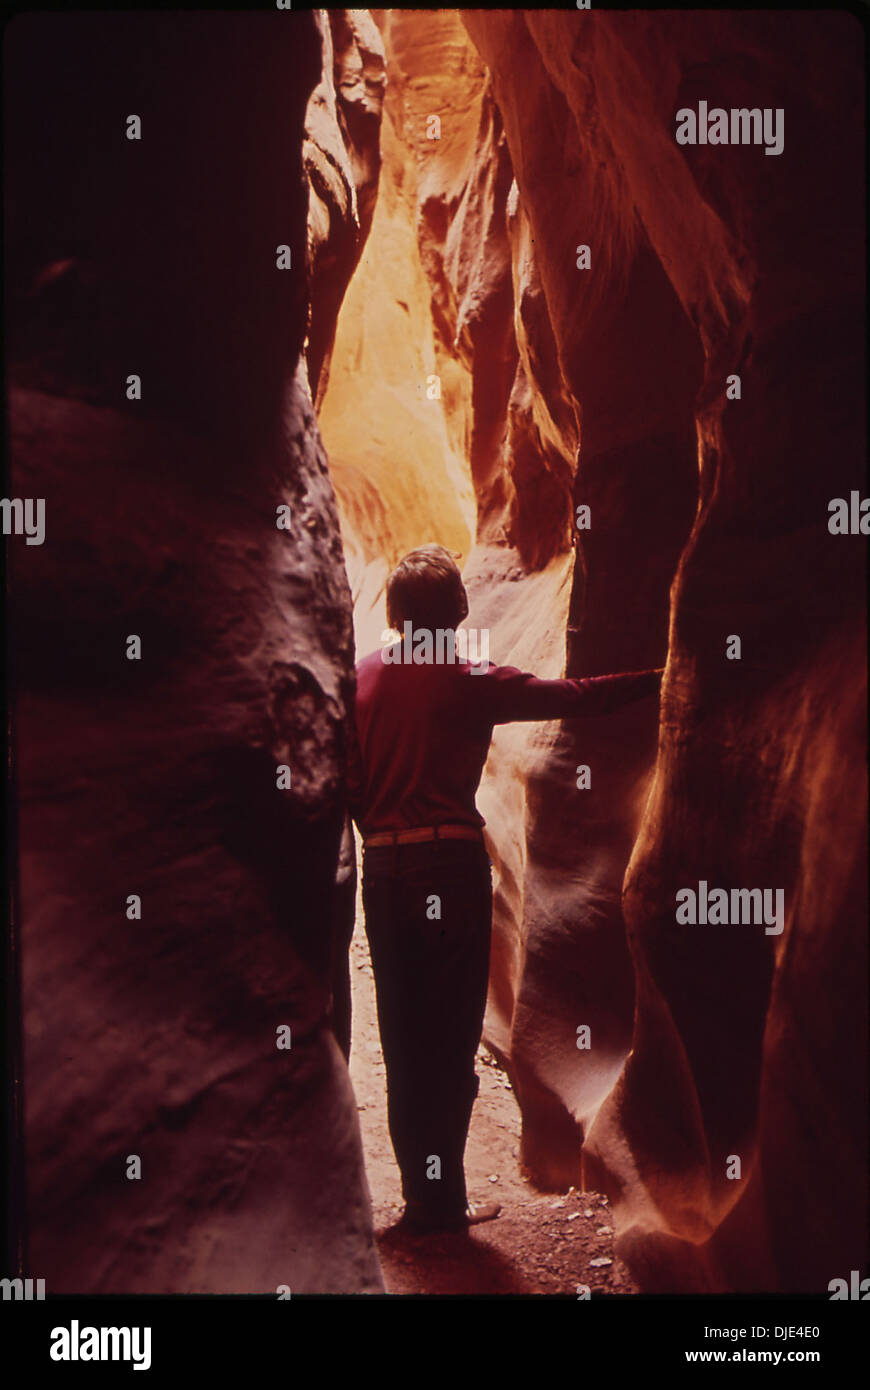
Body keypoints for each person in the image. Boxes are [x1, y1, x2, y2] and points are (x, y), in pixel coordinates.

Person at [346, 544, 663, 1233]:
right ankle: (445, 1201)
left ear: (397, 615)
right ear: (458, 609)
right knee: (451, 1038)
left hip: (387, 872)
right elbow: (575, 698)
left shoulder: (361, 680)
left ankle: (418, 1201)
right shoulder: (467, 676)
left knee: (403, 1038)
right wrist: (665, 676)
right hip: (449, 869)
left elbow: (343, 777)